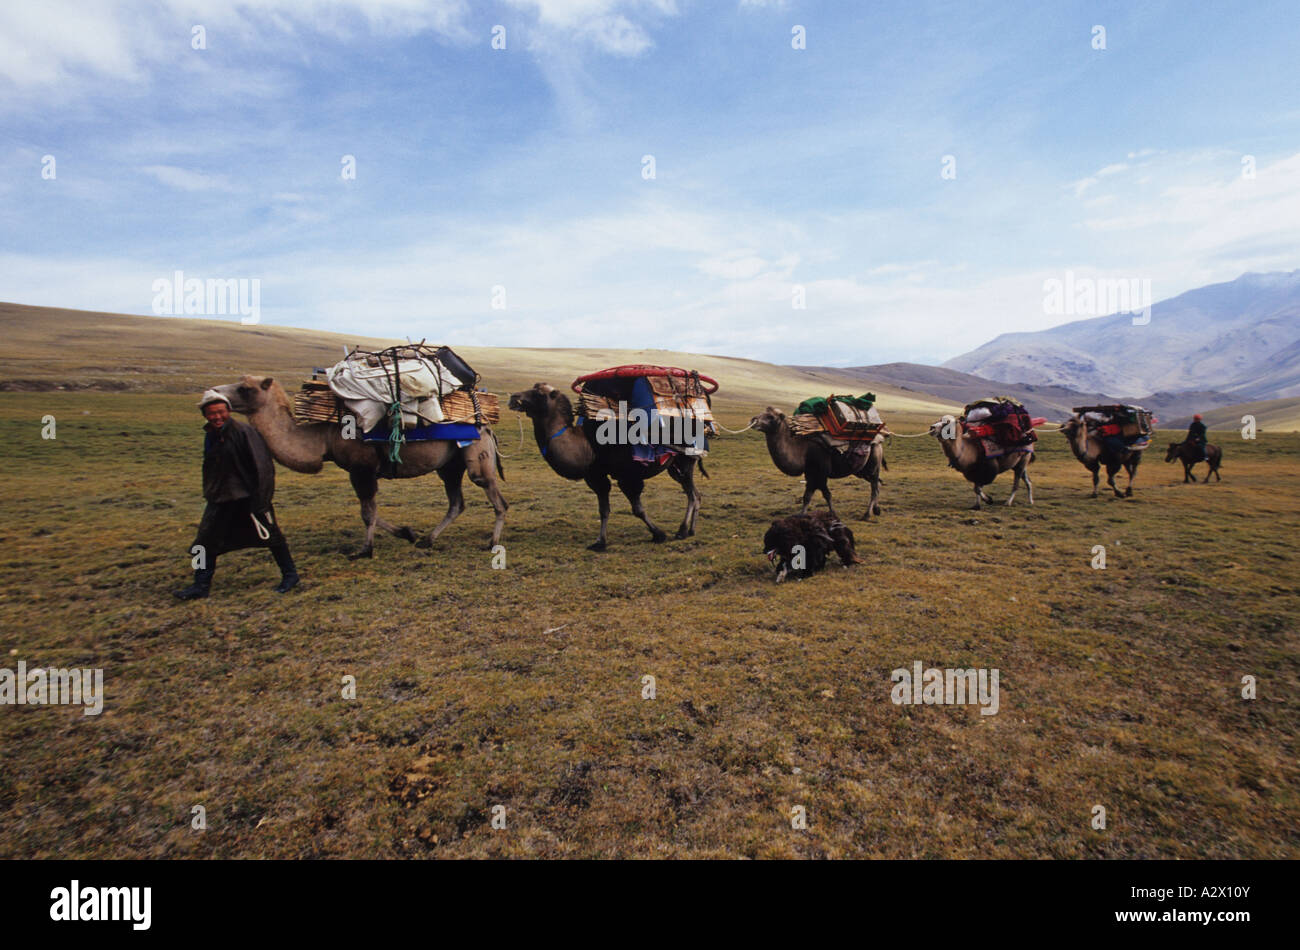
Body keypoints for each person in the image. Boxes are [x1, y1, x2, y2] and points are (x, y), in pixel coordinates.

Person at [174, 390, 299, 599]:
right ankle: (200, 585)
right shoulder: (211, 434)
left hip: (247, 498)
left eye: (220, 412)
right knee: (204, 541)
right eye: (211, 413)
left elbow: (262, 467)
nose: (217, 417)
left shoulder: (244, 432)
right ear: (205, 415)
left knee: (271, 536)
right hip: (221, 498)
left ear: (229, 411)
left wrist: (262, 500)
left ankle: (290, 575)